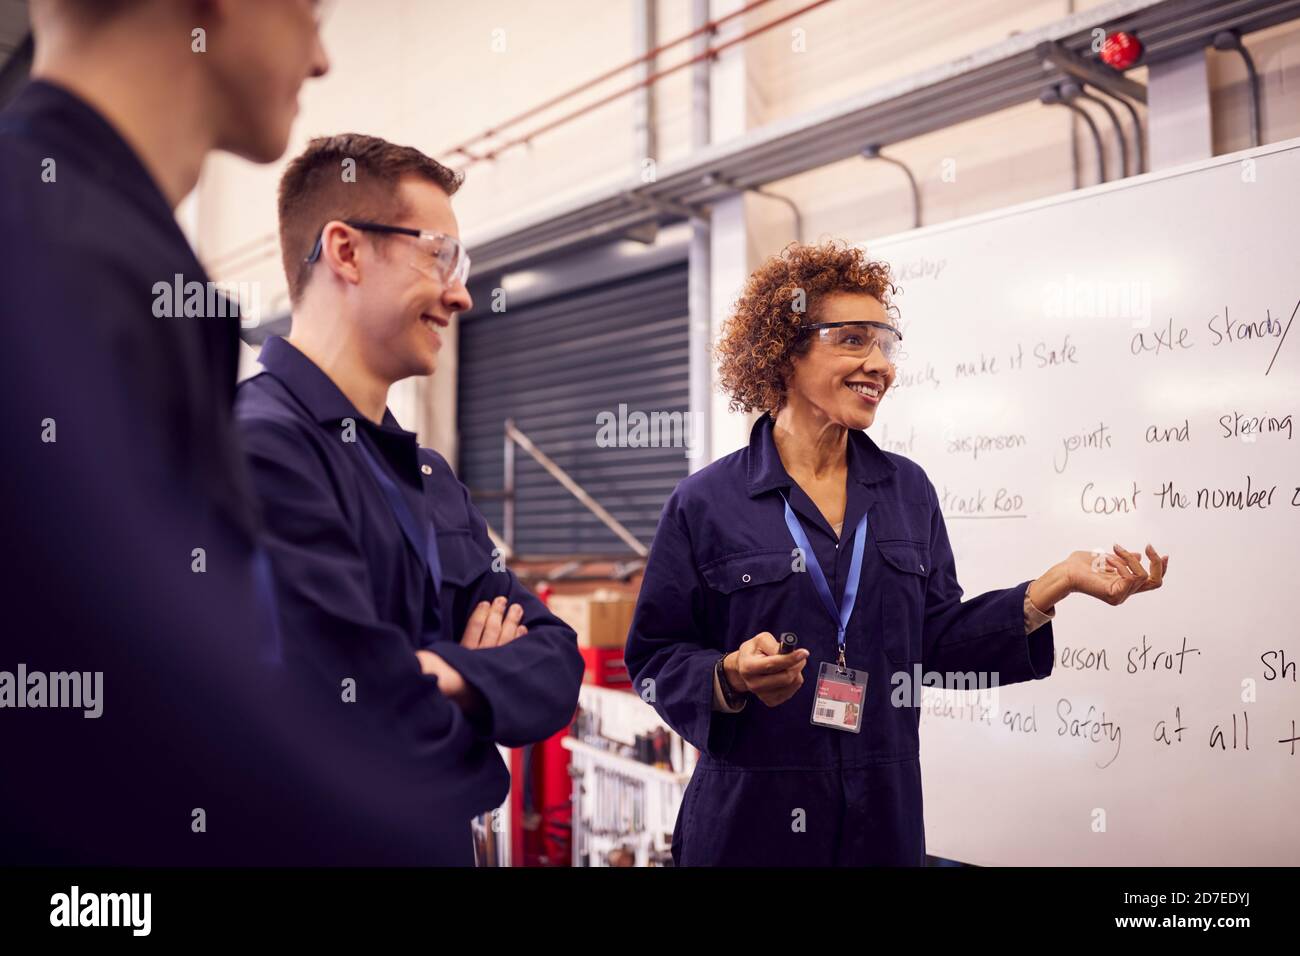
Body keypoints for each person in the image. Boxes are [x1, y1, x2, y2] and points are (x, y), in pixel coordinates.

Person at [0, 0, 503, 865]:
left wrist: (446, 683)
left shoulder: (111, 252)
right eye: (310, 9)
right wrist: (471, 726)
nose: (321, 60)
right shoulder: (64, 255)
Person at [624, 241, 1169, 866]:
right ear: (784, 353)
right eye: (853, 340)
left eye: (887, 344)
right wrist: (728, 677)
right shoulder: (706, 502)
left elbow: (934, 640)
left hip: (882, 816)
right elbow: (655, 658)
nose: (880, 364)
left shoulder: (906, 491)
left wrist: (1051, 587)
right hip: (752, 821)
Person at [233, 134, 584, 828]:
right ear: (346, 251)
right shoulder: (258, 451)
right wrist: (478, 707)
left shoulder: (428, 477)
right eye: (438, 256)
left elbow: (557, 661)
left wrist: (440, 676)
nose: (460, 294)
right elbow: (338, 716)